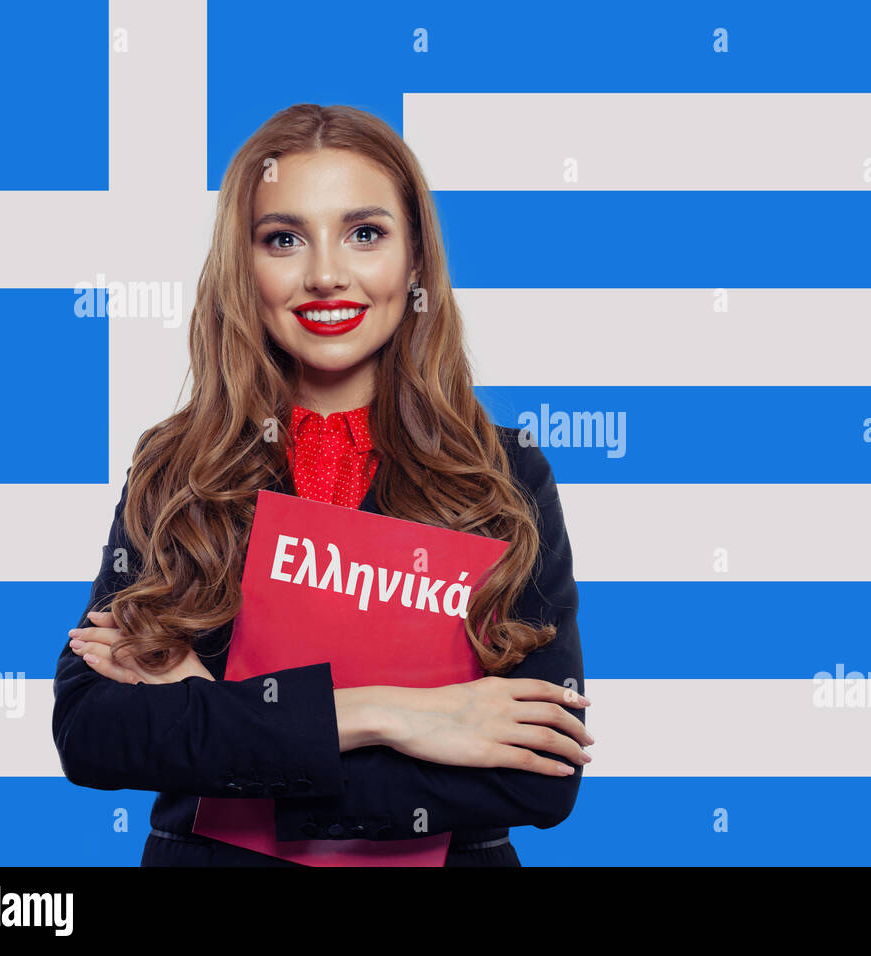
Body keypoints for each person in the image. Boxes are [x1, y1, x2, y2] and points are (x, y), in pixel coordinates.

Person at [51, 104, 591, 867]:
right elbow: (93, 732)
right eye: (284, 239)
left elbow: (540, 777)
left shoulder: (503, 476)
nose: (326, 273)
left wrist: (213, 717)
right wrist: (390, 715)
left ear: (414, 263)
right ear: (246, 267)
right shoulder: (179, 469)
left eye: (364, 233)